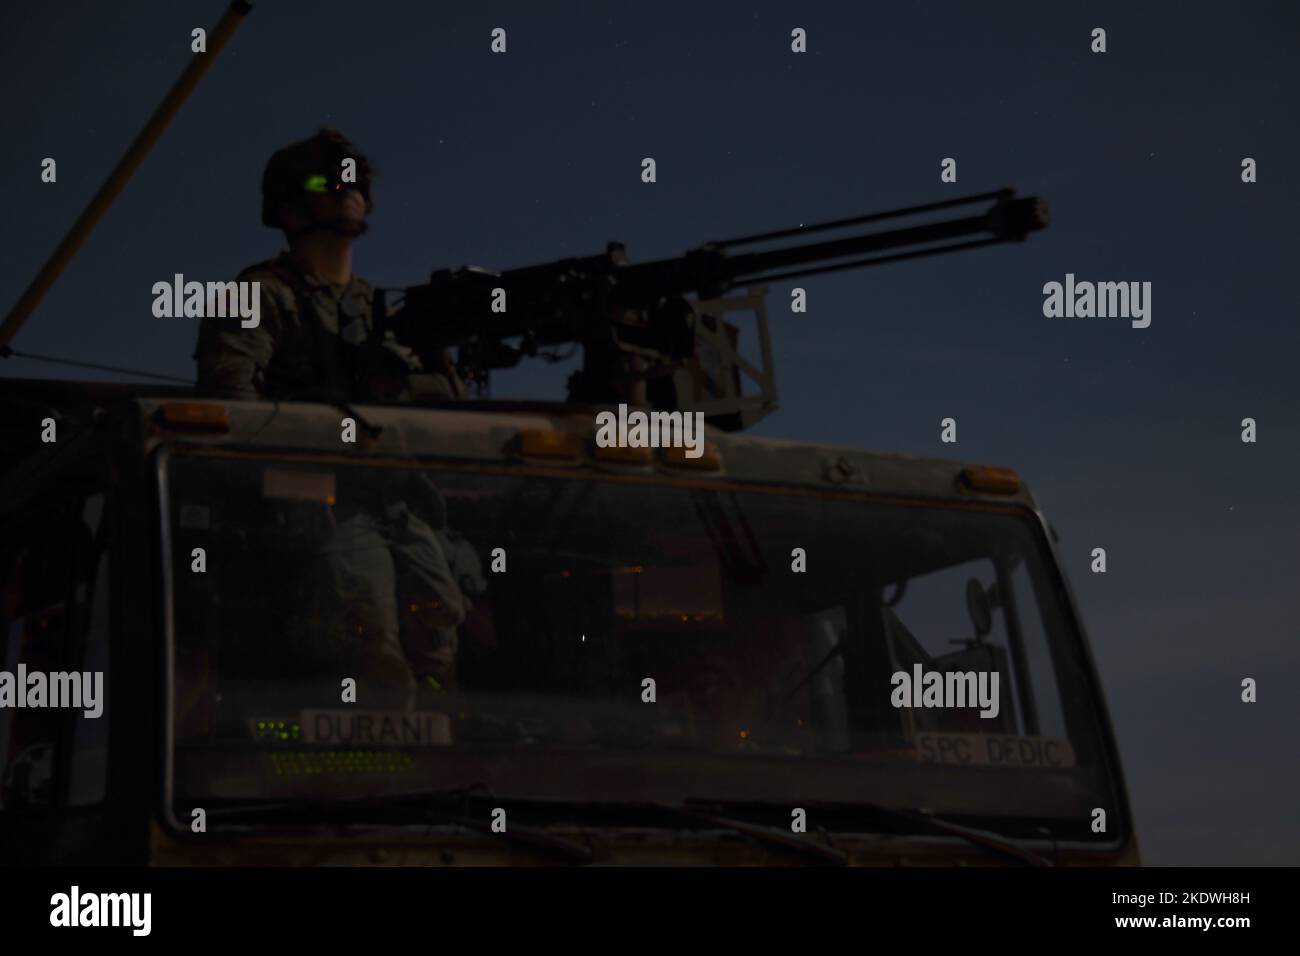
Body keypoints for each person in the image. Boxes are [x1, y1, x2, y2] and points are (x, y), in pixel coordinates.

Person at [195, 129, 469, 710]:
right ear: (290, 206)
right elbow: (230, 408)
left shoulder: (383, 312)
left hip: (395, 498)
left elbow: (444, 416)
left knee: (439, 636)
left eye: (356, 180)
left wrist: (429, 369)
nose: (346, 189)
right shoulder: (262, 294)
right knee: (371, 646)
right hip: (319, 500)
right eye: (327, 181)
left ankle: (439, 763)